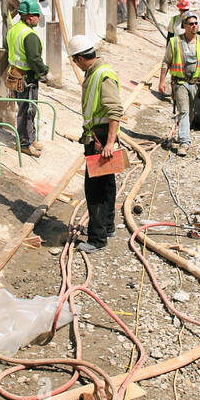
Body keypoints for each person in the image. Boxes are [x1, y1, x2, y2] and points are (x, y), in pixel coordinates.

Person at [68, 34, 124, 252]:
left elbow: (115, 111)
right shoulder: (96, 73)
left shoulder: (102, 75)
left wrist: (109, 143)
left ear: (81, 58)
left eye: (74, 60)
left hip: (101, 138)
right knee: (107, 184)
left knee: (96, 190)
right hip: (99, 135)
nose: (75, 65)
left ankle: (97, 239)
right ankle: (106, 227)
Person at [158, 12, 200, 155]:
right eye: (191, 24)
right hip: (180, 83)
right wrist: (162, 81)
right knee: (183, 111)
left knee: (191, 112)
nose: (194, 26)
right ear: (184, 26)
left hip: (196, 83)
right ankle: (184, 142)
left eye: (196, 23)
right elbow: (166, 62)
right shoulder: (174, 42)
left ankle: (185, 132)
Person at [6, 0, 49, 157]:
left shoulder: (14, 30)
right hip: (27, 78)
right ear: (29, 16)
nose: (38, 18)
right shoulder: (29, 35)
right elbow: (34, 59)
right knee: (27, 111)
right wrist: (44, 72)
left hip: (15, 74)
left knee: (25, 109)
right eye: (37, 15)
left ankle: (30, 138)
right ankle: (24, 143)